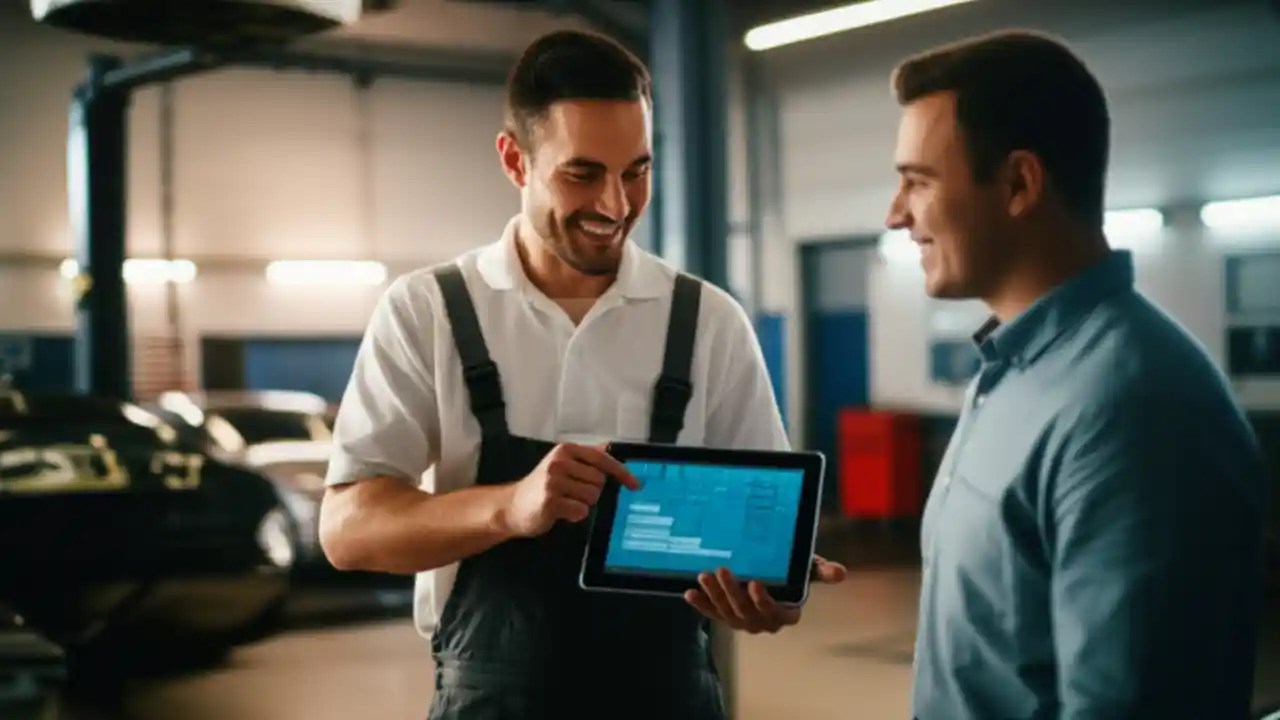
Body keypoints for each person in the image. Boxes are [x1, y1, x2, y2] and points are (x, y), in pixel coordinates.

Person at [319, 29, 845, 719]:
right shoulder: (430, 312)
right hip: (493, 700)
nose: (617, 205)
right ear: (515, 160)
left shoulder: (706, 321)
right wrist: (509, 508)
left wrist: (771, 590)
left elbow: (761, 543)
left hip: (668, 699)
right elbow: (347, 532)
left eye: (637, 171)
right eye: (583, 173)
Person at [884, 29, 1268, 719]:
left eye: (918, 181)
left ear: (1019, 184)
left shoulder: (1133, 409)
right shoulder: (1011, 371)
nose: (896, 215)